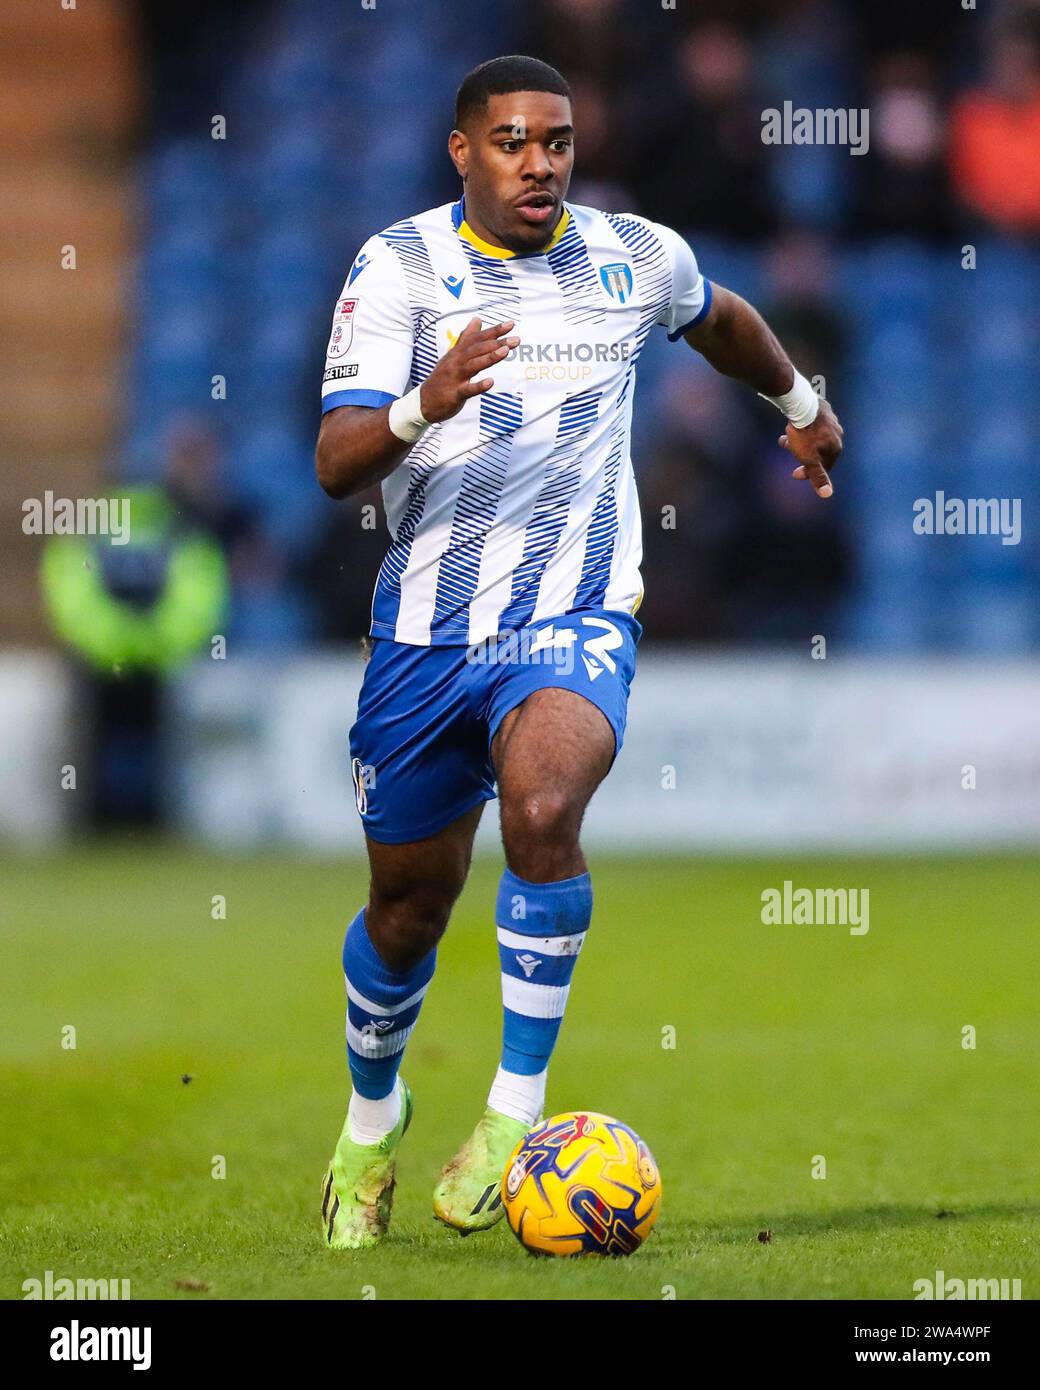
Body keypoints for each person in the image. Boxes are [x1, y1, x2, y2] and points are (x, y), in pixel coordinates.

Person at [314, 55, 843, 1249]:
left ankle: (512, 1113)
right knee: (407, 908)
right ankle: (369, 1119)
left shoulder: (631, 255)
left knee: (543, 808)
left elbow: (724, 321)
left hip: (575, 609)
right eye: (510, 141)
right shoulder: (396, 268)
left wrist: (799, 406)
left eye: (554, 140)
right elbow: (335, 459)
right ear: (463, 152)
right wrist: (421, 406)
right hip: (421, 635)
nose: (538, 161)